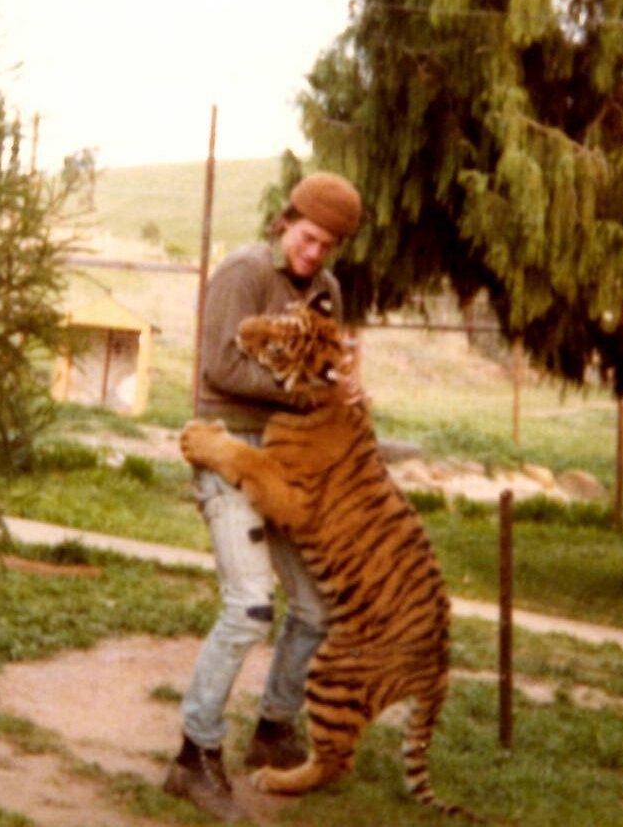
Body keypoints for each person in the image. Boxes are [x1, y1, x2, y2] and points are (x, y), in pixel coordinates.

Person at [163, 171, 362, 822]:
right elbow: (221, 367)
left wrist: (341, 388)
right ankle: (193, 755)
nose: (314, 253)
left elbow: (324, 369)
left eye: (327, 245)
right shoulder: (243, 272)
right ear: (286, 221)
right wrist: (307, 390)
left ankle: (273, 730)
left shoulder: (327, 290)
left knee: (317, 605)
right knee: (250, 606)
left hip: (287, 458)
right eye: (307, 237)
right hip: (228, 448)